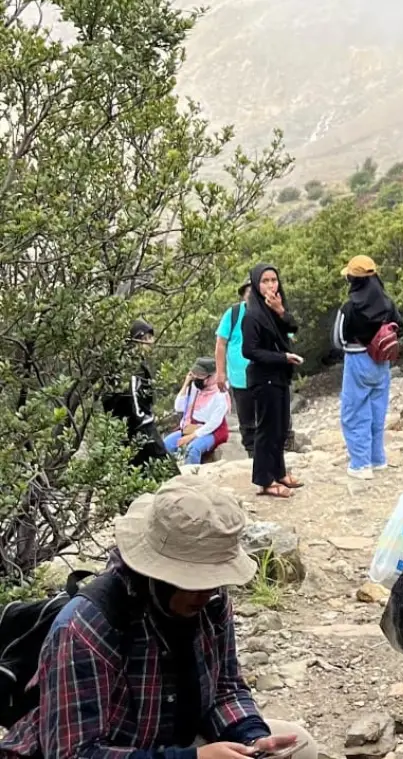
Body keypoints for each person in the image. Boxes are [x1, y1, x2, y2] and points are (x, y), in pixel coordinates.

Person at [0, 476, 318, 759]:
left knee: (301, 746)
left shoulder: (212, 599)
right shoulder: (86, 628)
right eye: (192, 581)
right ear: (154, 572)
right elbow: (73, 752)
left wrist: (252, 737)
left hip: (173, 740)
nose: (205, 593)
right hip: (111, 750)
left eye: (212, 580)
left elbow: (226, 687)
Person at [334, 255, 402, 480]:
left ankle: (361, 464)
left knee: (354, 412)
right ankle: (377, 459)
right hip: (382, 363)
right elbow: (399, 327)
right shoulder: (387, 302)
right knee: (376, 410)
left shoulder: (350, 306)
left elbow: (338, 338)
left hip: (357, 360)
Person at [241, 263, 304, 500]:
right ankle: (264, 480)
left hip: (279, 376)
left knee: (280, 428)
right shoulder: (252, 314)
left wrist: (280, 311)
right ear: (256, 285)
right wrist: (283, 357)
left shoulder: (273, 309)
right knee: (266, 429)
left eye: (273, 280)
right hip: (263, 378)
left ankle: (279, 472)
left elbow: (293, 326)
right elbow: (250, 350)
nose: (270, 286)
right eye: (265, 281)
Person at [102, 319, 172, 471]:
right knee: (166, 469)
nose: (149, 342)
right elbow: (134, 399)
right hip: (140, 429)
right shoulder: (134, 369)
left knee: (137, 471)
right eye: (144, 339)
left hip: (125, 431)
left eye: (150, 338)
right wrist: (144, 422)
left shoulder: (122, 364)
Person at [164, 358, 231, 466]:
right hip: (192, 427)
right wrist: (186, 384)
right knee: (166, 444)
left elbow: (213, 424)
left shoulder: (220, 395)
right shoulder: (195, 389)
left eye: (201, 376)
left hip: (212, 431)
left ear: (212, 376)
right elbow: (178, 407)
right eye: (195, 375)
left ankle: (192, 477)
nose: (196, 378)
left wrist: (191, 437)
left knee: (193, 449)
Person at [215, 281, 256, 455]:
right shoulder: (233, 314)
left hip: (267, 375)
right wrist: (220, 373)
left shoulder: (271, 312)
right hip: (240, 378)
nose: (251, 295)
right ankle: (252, 454)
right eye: (248, 292)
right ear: (243, 295)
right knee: (246, 419)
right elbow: (221, 343)